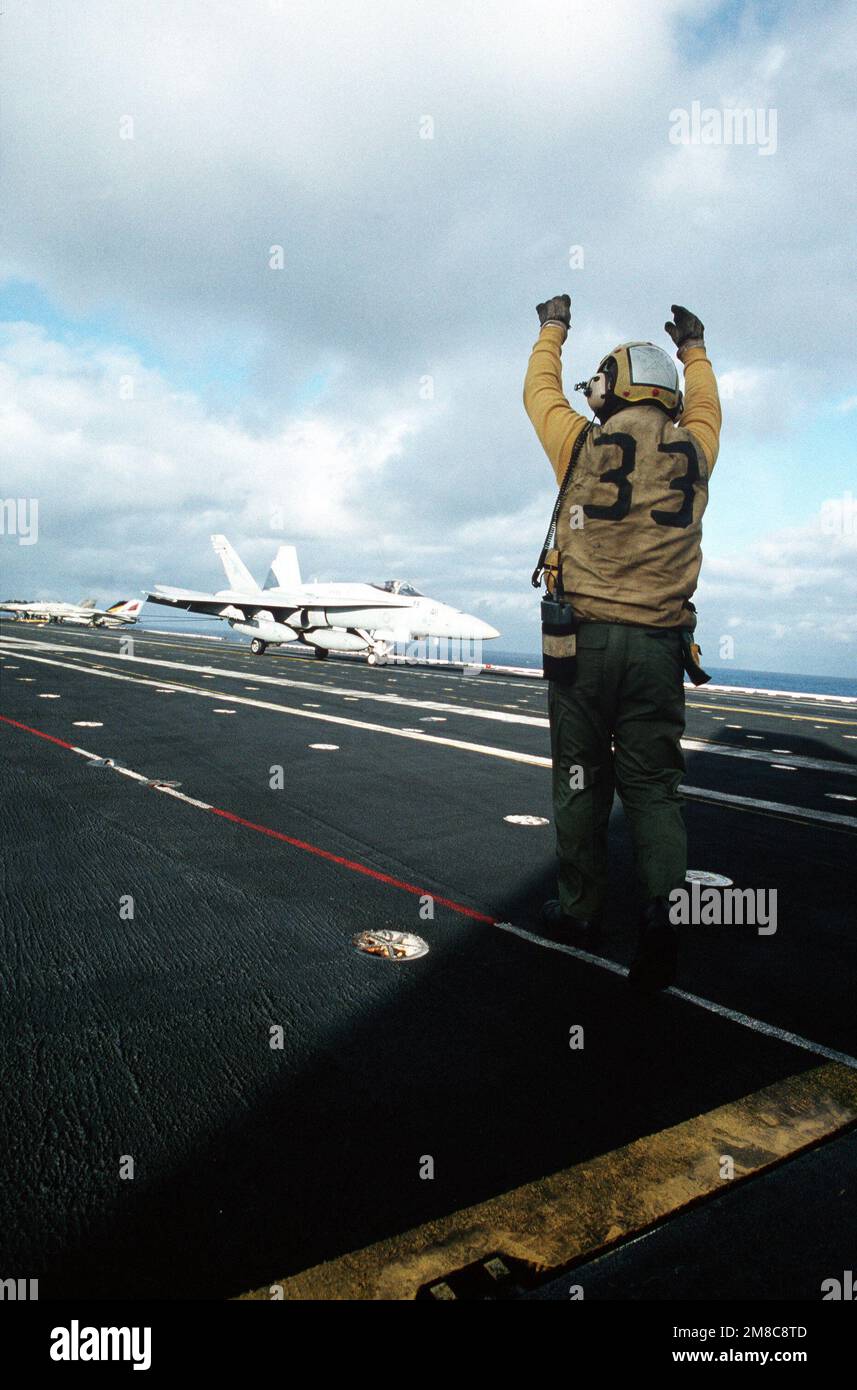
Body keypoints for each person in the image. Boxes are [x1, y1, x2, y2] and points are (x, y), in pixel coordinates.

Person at [523, 297, 721, 990]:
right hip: (662, 647)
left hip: (584, 645)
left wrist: (551, 328)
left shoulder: (579, 442)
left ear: (611, 387)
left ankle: (579, 912)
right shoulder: (696, 446)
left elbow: (536, 390)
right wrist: (695, 347)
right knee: (655, 791)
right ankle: (663, 917)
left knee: (579, 783)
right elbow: (707, 406)